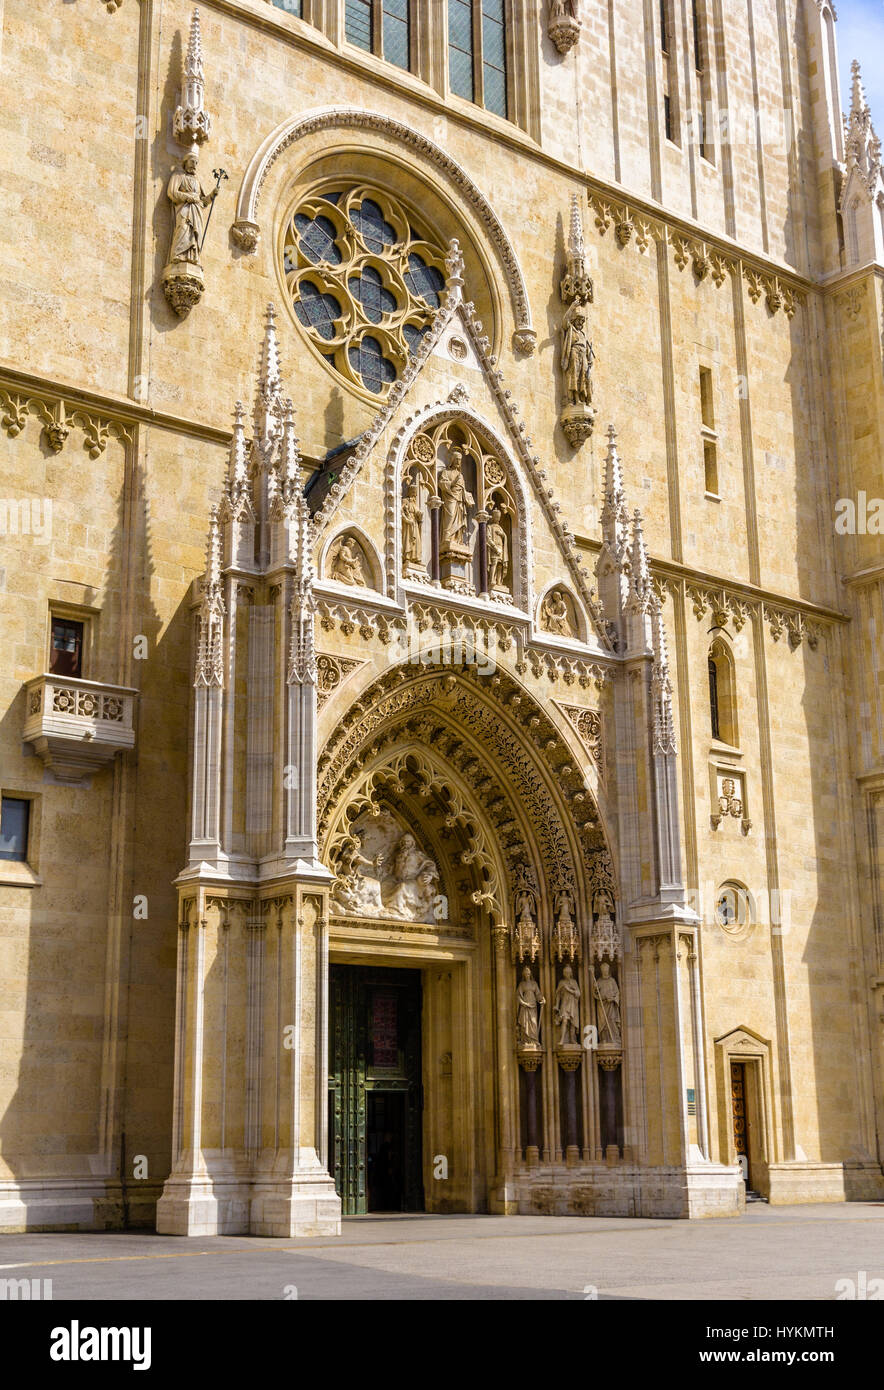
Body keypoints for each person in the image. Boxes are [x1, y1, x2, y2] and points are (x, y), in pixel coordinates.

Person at [166, 153, 217, 267]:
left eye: (196, 163)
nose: (194, 165)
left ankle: (192, 256)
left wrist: (212, 195)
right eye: (192, 161)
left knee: (194, 235)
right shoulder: (178, 176)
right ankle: (178, 254)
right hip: (184, 210)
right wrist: (188, 197)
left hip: (196, 212)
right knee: (183, 228)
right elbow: (172, 192)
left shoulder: (197, 181)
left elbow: (202, 201)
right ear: (186, 162)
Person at [439, 448, 474, 548]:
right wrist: (453, 483)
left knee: (459, 520)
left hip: (460, 500)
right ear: (453, 460)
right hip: (450, 498)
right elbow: (441, 483)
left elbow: (462, 488)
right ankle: (447, 538)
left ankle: (457, 539)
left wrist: (467, 496)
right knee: (449, 517)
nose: (459, 462)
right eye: (457, 459)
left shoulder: (461, 475)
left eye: (460, 460)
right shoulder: (446, 472)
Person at [515, 965, 545, 1047]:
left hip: (533, 1006)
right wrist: (523, 1003)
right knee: (525, 1023)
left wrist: (542, 1000)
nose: (527, 975)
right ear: (523, 975)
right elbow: (518, 996)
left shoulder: (534, 984)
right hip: (525, 1007)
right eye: (525, 973)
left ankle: (534, 1040)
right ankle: (525, 1040)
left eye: (528, 973)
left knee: (533, 1023)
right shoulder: (522, 984)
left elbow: (538, 994)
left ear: (530, 974)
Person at [554, 964, 581, 1046]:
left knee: (573, 1023)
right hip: (564, 1004)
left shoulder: (574, 982)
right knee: (564, 1021)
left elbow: (578, 994)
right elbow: (558, 995)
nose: (567, 974)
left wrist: (569, 990)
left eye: (568, 972)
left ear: (571, 973)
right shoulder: (561, 982)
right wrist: (557, 1005)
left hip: (573, 1004)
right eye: (565, 972)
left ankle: (572, 1039)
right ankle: (562, 1039)